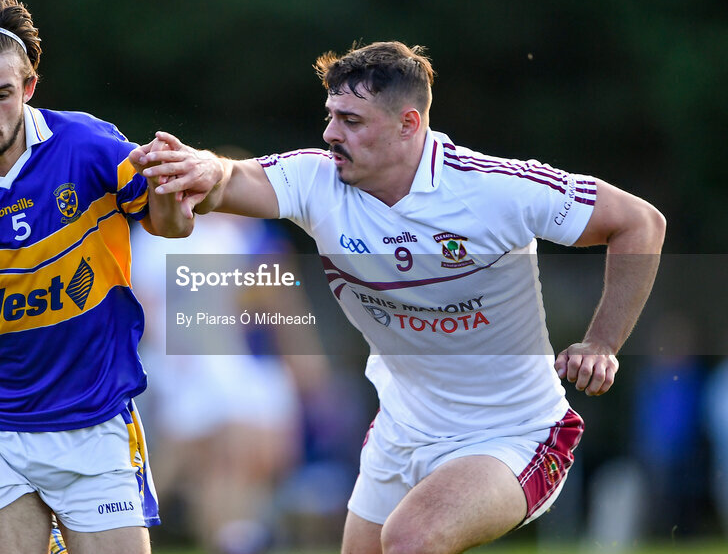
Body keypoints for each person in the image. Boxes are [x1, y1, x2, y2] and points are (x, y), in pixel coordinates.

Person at [131, 41, 666, 554]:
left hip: (514, 435)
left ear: (409, 124)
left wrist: (602, 342)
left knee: (412, 540)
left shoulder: (495, 189)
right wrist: (204, 166)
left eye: (352, 121)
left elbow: (640, 222)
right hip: (400, 432)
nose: (331, 134)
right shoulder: (316, 180)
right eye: (331, 115)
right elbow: (231, 177)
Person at [0, 0, 191, 554]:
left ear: (28, 87)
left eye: (1, 93)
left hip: (94, 419)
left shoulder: (87, 145)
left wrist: (170, 186)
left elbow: (168, 225)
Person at [131, 211, 329, 554]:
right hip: (181, 365)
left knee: (232, 457)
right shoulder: (150, 239)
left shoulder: (232, 236)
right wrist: (171, 349)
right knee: (197, 455)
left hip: (229, 362)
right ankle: (135, 521)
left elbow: (259, 301)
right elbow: (142, 301)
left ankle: (231, 534)